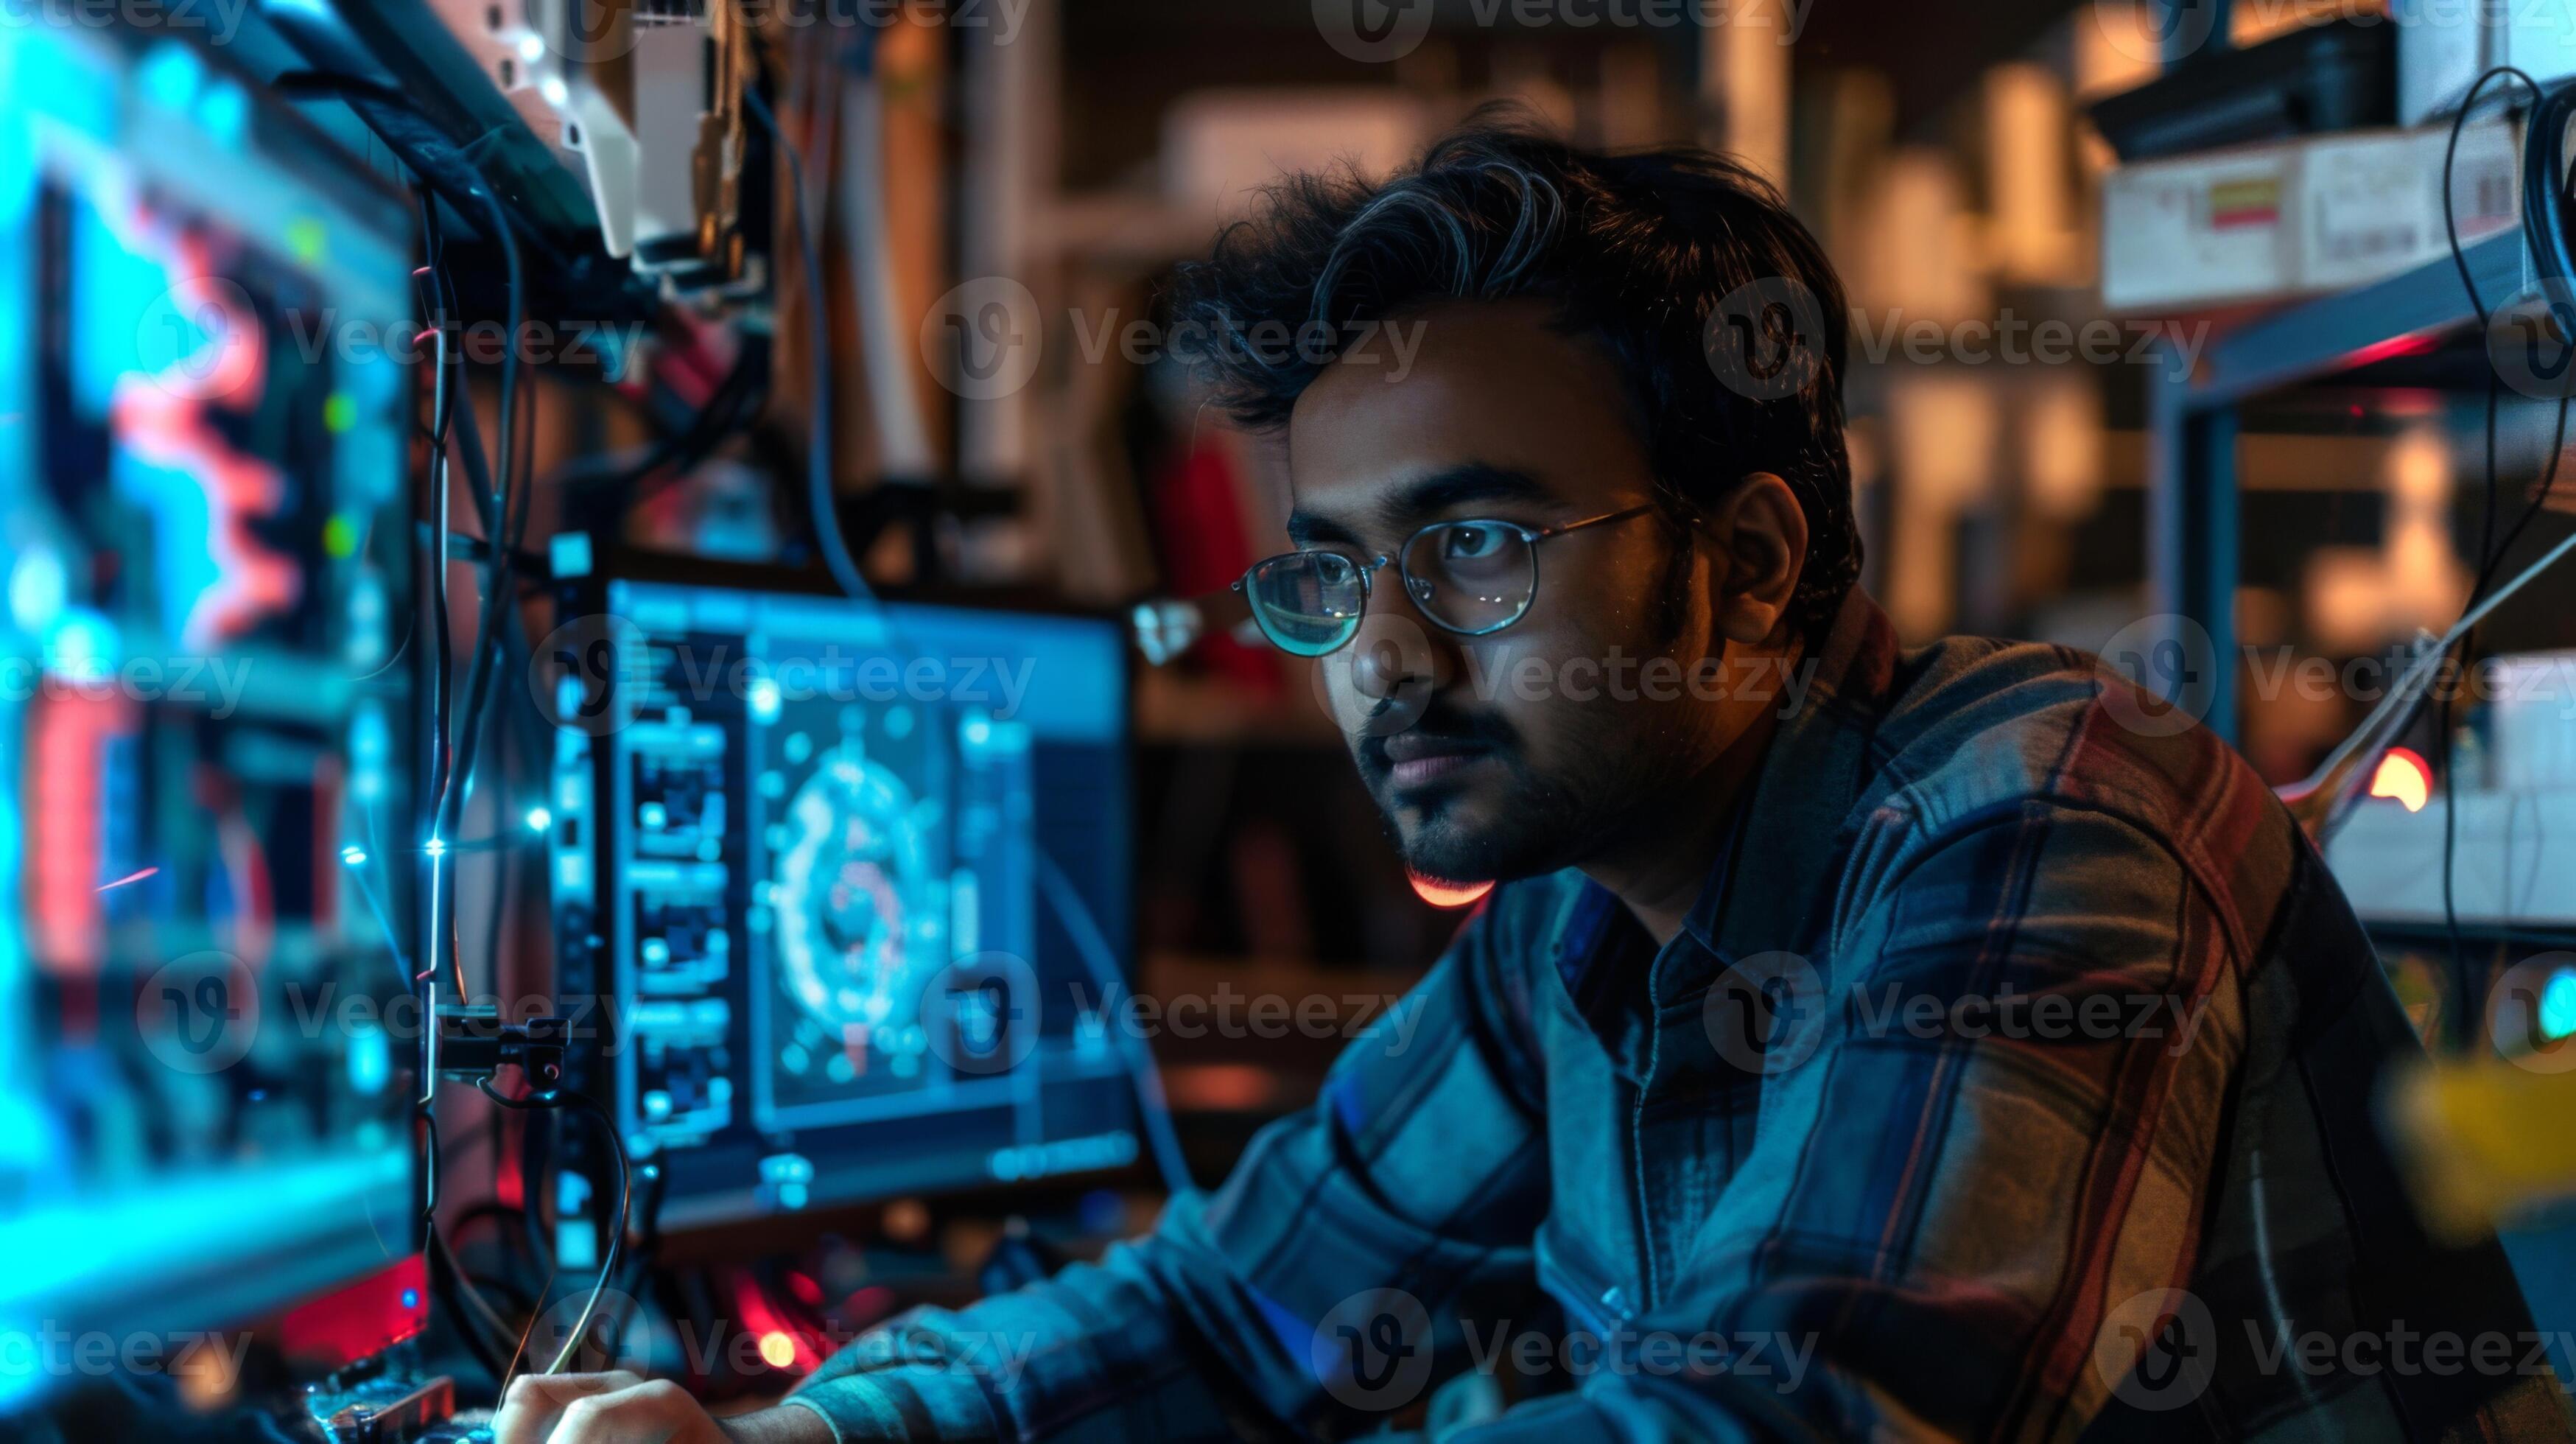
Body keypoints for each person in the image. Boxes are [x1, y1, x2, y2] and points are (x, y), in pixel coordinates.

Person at [494, 117, 2571, 1443]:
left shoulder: (2041, 814)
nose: (1382, 653)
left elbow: (1809, 1420)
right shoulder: (1569, 936)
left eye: (1476, 546)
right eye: (1330, 572)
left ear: (1747, 566)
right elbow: (1238, 1316)